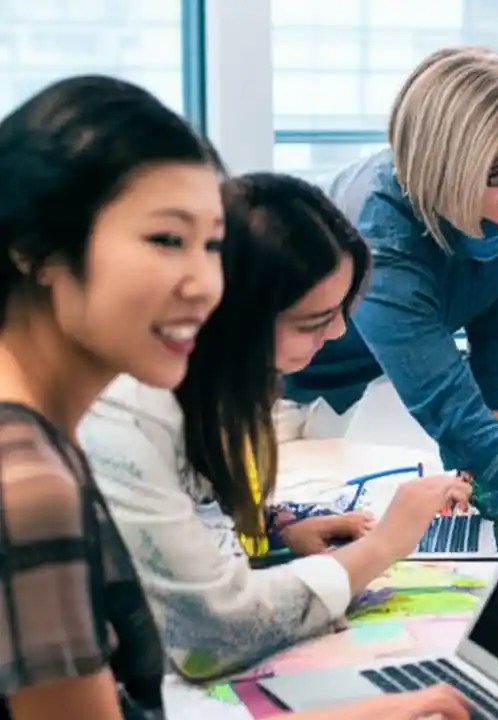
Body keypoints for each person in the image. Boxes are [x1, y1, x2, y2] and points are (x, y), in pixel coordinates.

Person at [0, 76, 467, 720]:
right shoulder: (28, 479)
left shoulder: (42, 440)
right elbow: (205, 637)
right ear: (35, 248)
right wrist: (382, 547)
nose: (205, 284)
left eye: (212, 246)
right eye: (167, 240)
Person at [79, 173, 474, 681]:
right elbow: (211, 635)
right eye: (314, 320)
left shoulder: (217, 389)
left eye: (339, 313)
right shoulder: (128, 415)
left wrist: (275, 529)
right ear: (231, 316)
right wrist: (381, 547)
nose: (335, 334)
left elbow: (196, 511)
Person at [280, 47, 498, 520]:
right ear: (445, 166)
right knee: (259, 543)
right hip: (256, 385)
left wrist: (488, 460)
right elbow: (450, 411)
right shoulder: (379, 228)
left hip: (340, 384)